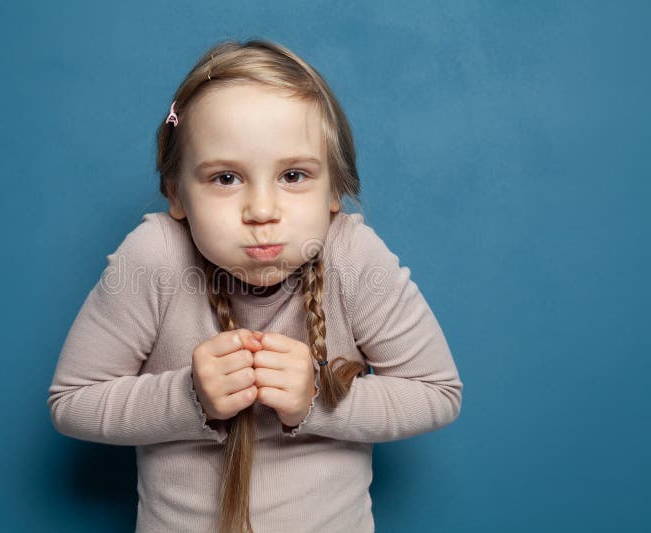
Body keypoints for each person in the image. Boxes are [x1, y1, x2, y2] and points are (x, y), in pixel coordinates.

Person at [47, 39, 463, 533]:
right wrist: (189, 396)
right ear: (176, 193)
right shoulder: (154, 256)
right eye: (225, 178)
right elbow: (71, 402)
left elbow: (438, 393)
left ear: (335, 190)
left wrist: (318, 399)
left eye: (293, 175)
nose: (262, 211)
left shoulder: (353, 258)